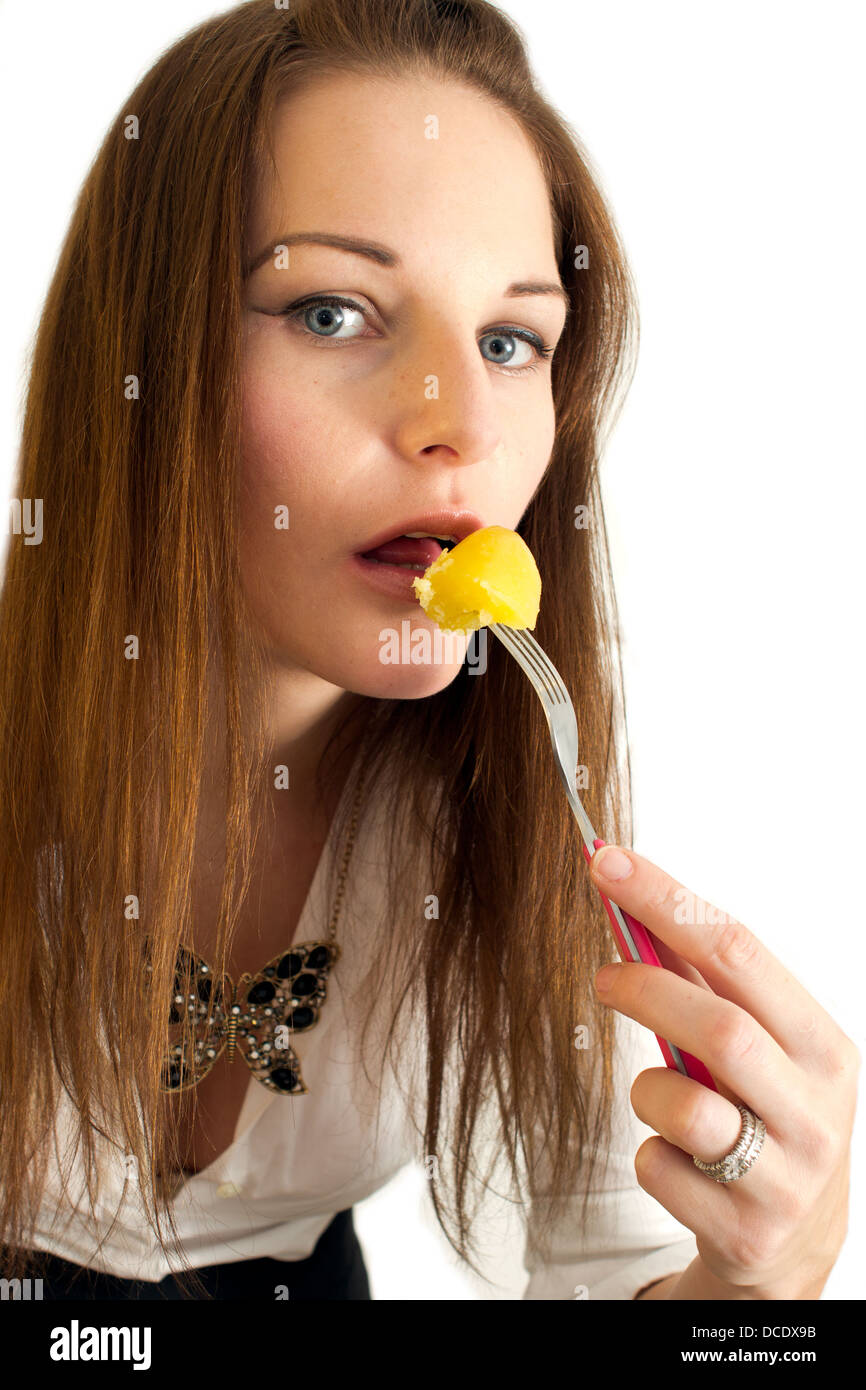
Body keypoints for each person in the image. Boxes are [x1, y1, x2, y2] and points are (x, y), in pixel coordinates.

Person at [0, 0, 856, 1302]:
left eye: (510, 341)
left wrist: (757, 1287)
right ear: (143, 354)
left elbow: (615, 1275)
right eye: (335, 312)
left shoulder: (536, 787)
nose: (457, 424)